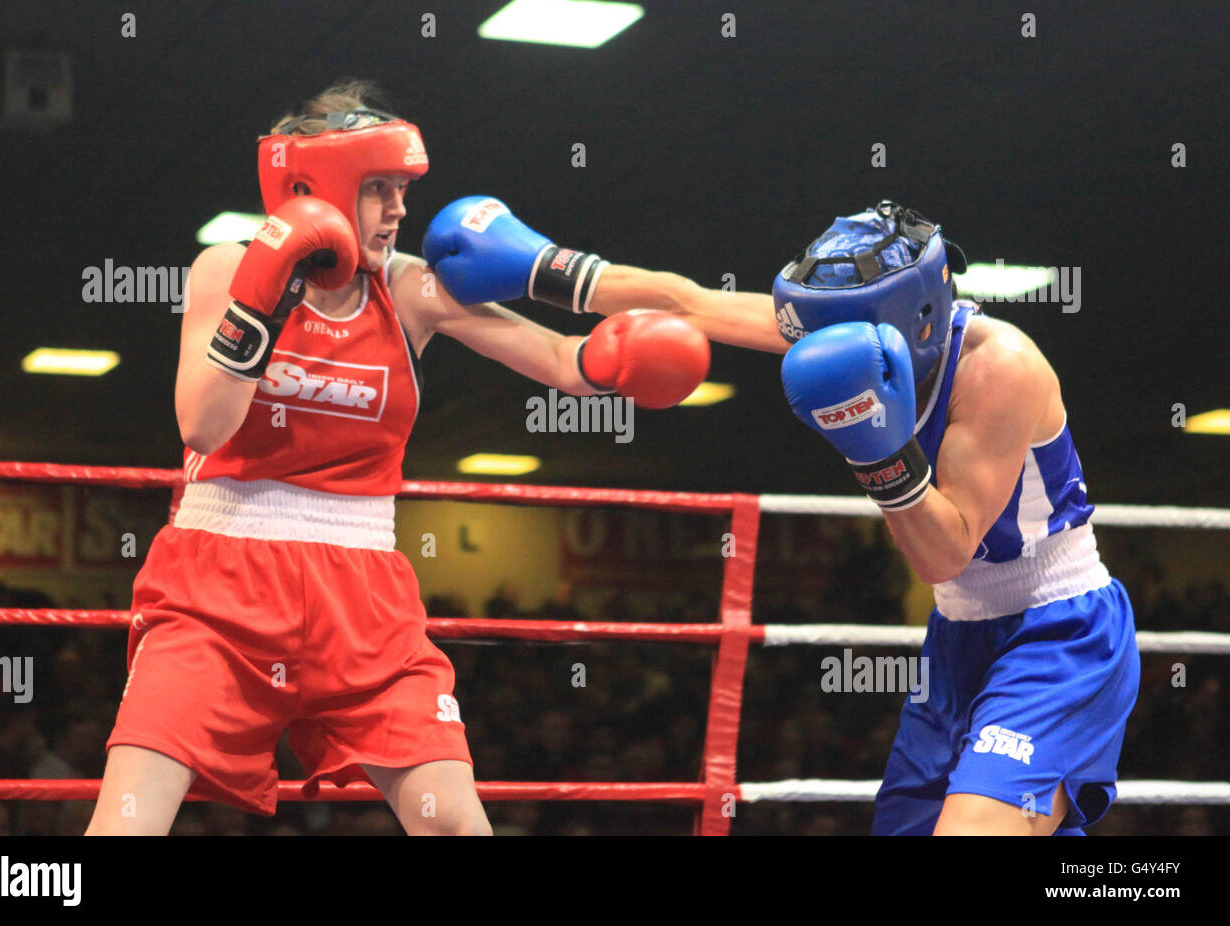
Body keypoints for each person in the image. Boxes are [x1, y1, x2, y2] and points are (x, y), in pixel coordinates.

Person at [85, 80, 708, 836]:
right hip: (218, 583)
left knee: (454, 825)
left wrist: (628, 359)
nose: (399, 209)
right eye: (378, 189)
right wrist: (260, 296)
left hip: (365, 595)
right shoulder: (227, 268)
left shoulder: (409, 288)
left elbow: (560, 361)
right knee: (126, 826)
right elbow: (204, 426)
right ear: (316, 187)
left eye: (403, 189)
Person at [421, 197, 1140, 835]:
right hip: (958, 637)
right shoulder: (846, 325)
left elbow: (945, 554)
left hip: (1060, 633)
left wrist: (878, 453)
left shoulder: (1000, 367)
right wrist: (540, 268)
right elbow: (689, 303)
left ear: (912, 316)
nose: (820, 347)